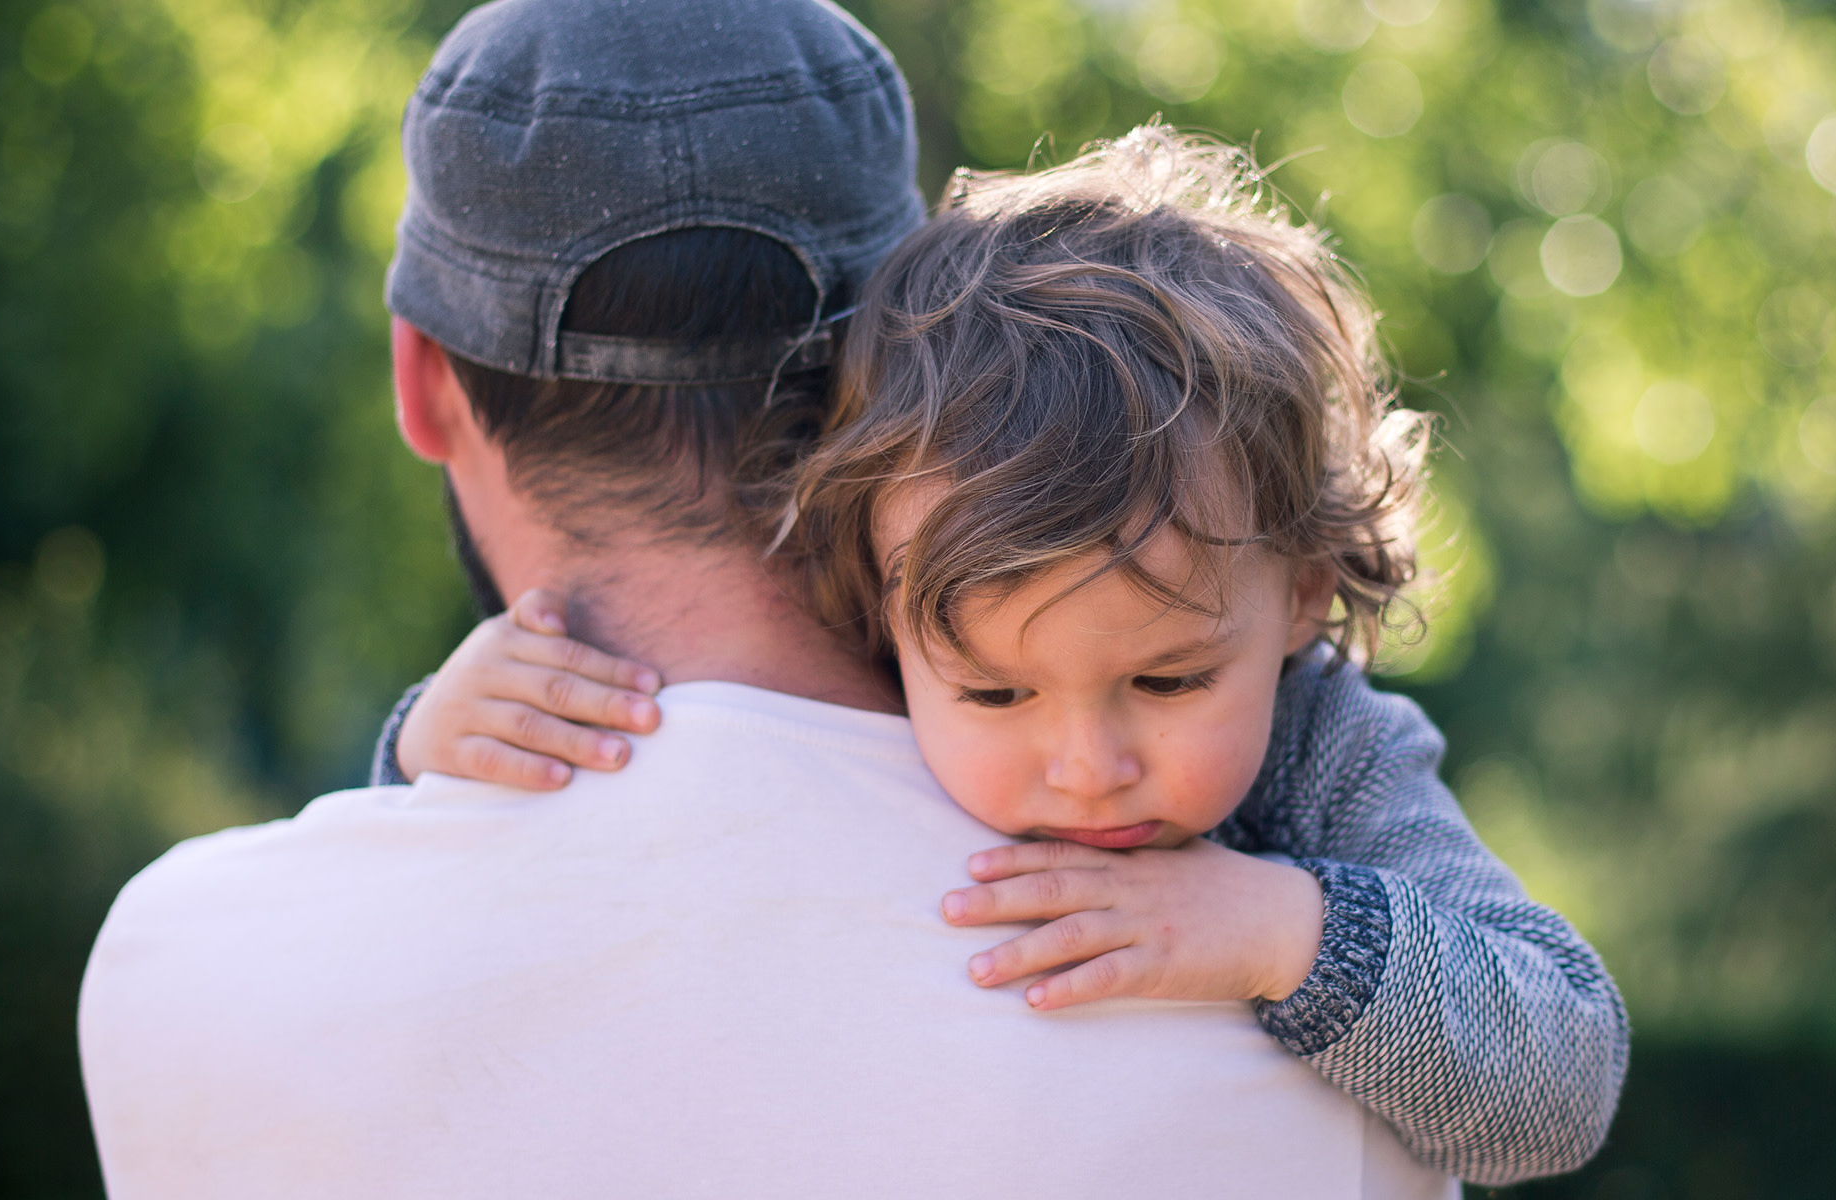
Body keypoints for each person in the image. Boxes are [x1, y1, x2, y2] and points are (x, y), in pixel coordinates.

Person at [78, 1, 1457, 1196]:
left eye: (1158, 679)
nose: (1085, 759)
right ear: (922, 378)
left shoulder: (183, 967)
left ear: (423, 383)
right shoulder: (1320, 1022)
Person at [370, 128, 1631, 1183]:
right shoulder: (864, 706)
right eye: (995, 691)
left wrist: (1289, 930)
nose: (1086, 765)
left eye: (1170, 680)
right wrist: (428, 747)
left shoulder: (1325, 760)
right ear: (877, 610)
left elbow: (1562, 1075)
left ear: (1302, 592)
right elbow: (515, 914)